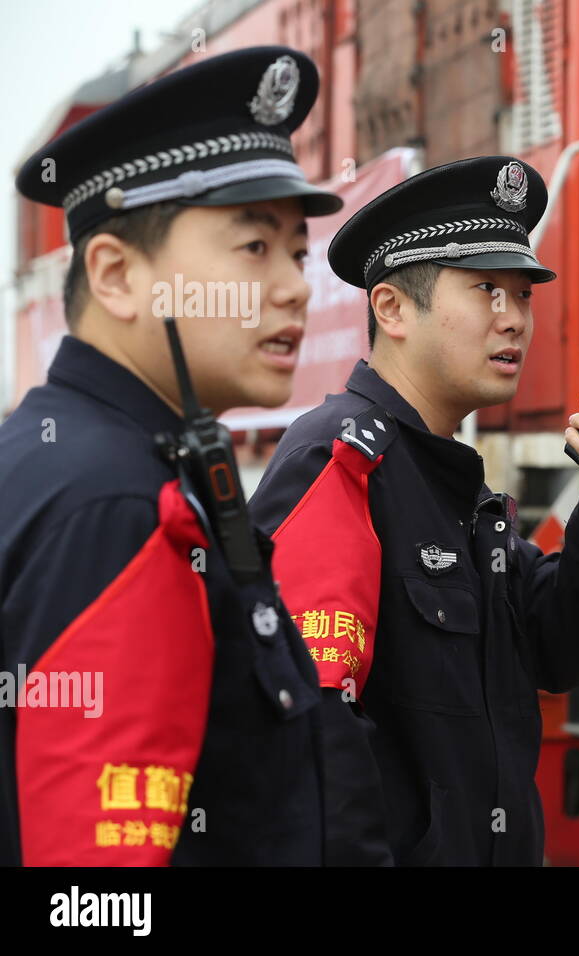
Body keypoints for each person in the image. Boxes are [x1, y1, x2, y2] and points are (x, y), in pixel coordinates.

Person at [247, 155, 579, 865]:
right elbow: (311, 742)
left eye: (523, 295)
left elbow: (565, 648)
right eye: (485, 290)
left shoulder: (453, 483)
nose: (514, 320)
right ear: (392, 308)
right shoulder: (341, 463)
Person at [1, 46, 344, 865]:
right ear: (116, 275)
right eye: (254, 248)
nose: (298, 285)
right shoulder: (124, 506)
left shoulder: (61, 457)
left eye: (297, 252)